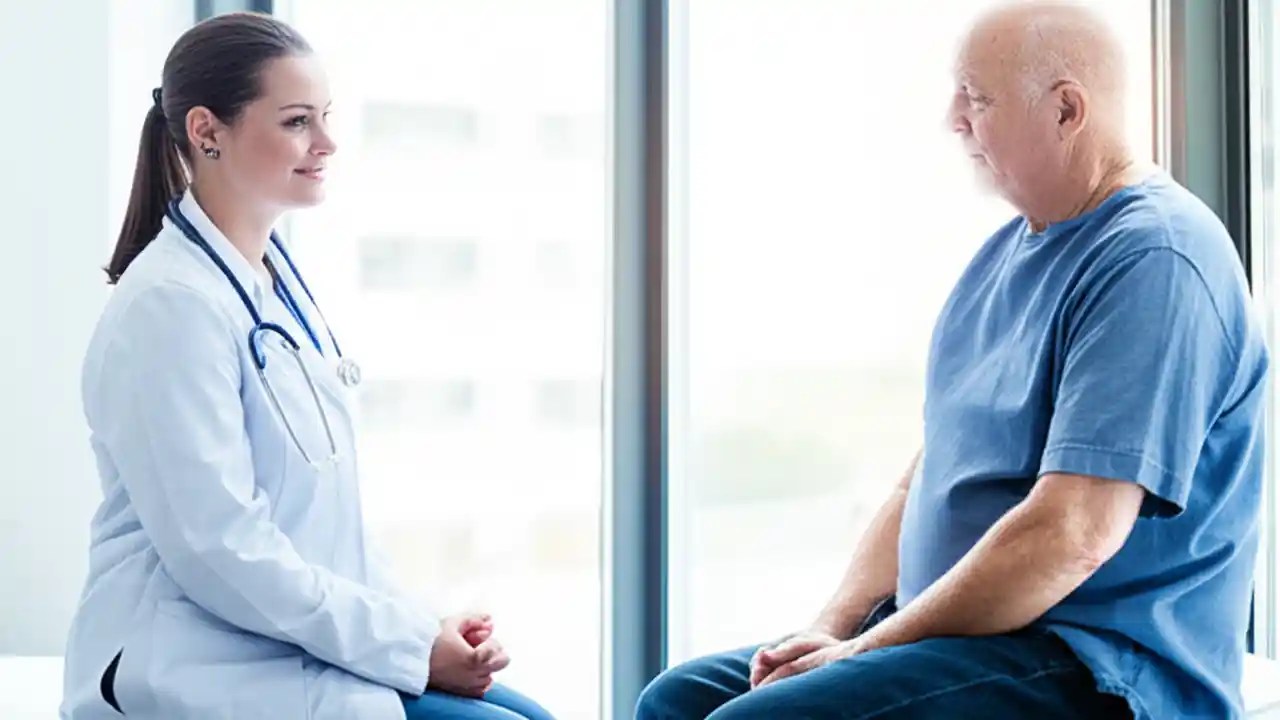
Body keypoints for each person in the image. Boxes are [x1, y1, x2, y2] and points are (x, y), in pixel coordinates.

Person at [636, 2, 1268, 718]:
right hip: (972, 643)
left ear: (1066, 110)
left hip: (1093, 664)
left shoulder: (1156, 258)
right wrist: (831, 629)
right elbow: (923, 483)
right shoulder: (1006, 255)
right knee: (678, 700)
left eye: (977, 98)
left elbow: (1073, 535)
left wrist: (864, 652)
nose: (953, 120)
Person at [59, 12, 553, 720]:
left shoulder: (273, 284)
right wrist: (409, 648)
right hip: (194, 653)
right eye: (297, 122)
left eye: (325, 117)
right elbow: (218, 549)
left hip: (283, 637)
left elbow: (325, 523)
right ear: (206, 131)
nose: (327, 143)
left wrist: (420, 628)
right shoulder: (169, 306)